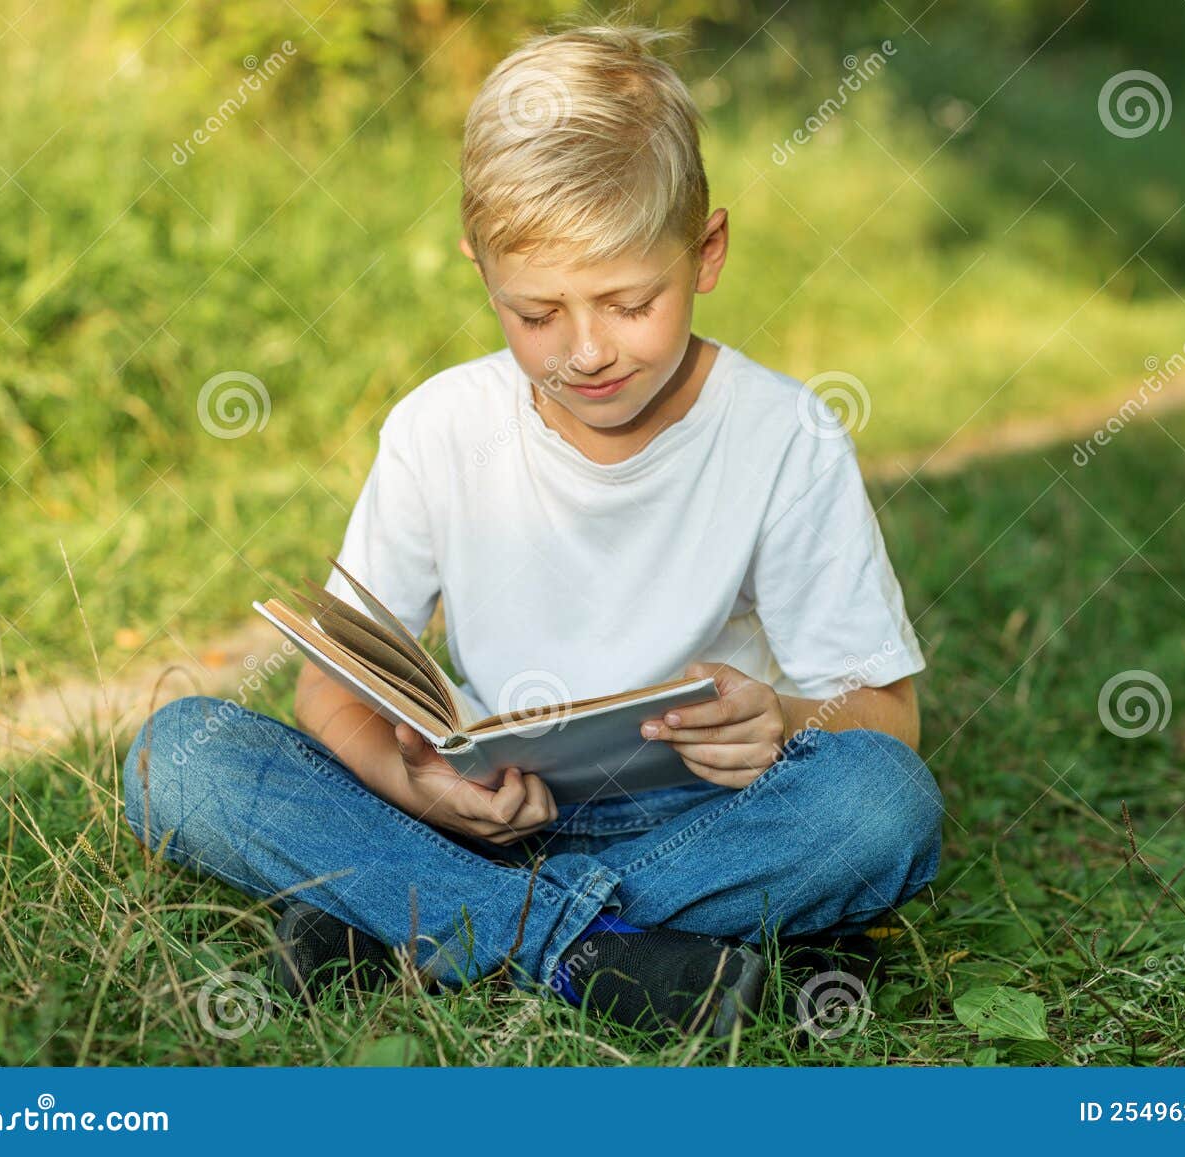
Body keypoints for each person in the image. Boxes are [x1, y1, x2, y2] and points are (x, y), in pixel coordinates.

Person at [122, 22, 942, 1039]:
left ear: (707, 252)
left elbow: (885, 717)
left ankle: (406, 918)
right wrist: (407, 781)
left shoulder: (783, 433)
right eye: (536, 312)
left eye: (629, 302)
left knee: (878, 804)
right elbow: (331, 684)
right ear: (480, 271)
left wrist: (778, 715)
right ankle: (609, 948)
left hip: (700, 814)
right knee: (180, 754)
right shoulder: (438, 425)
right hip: (482, 814)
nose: (587, 350)